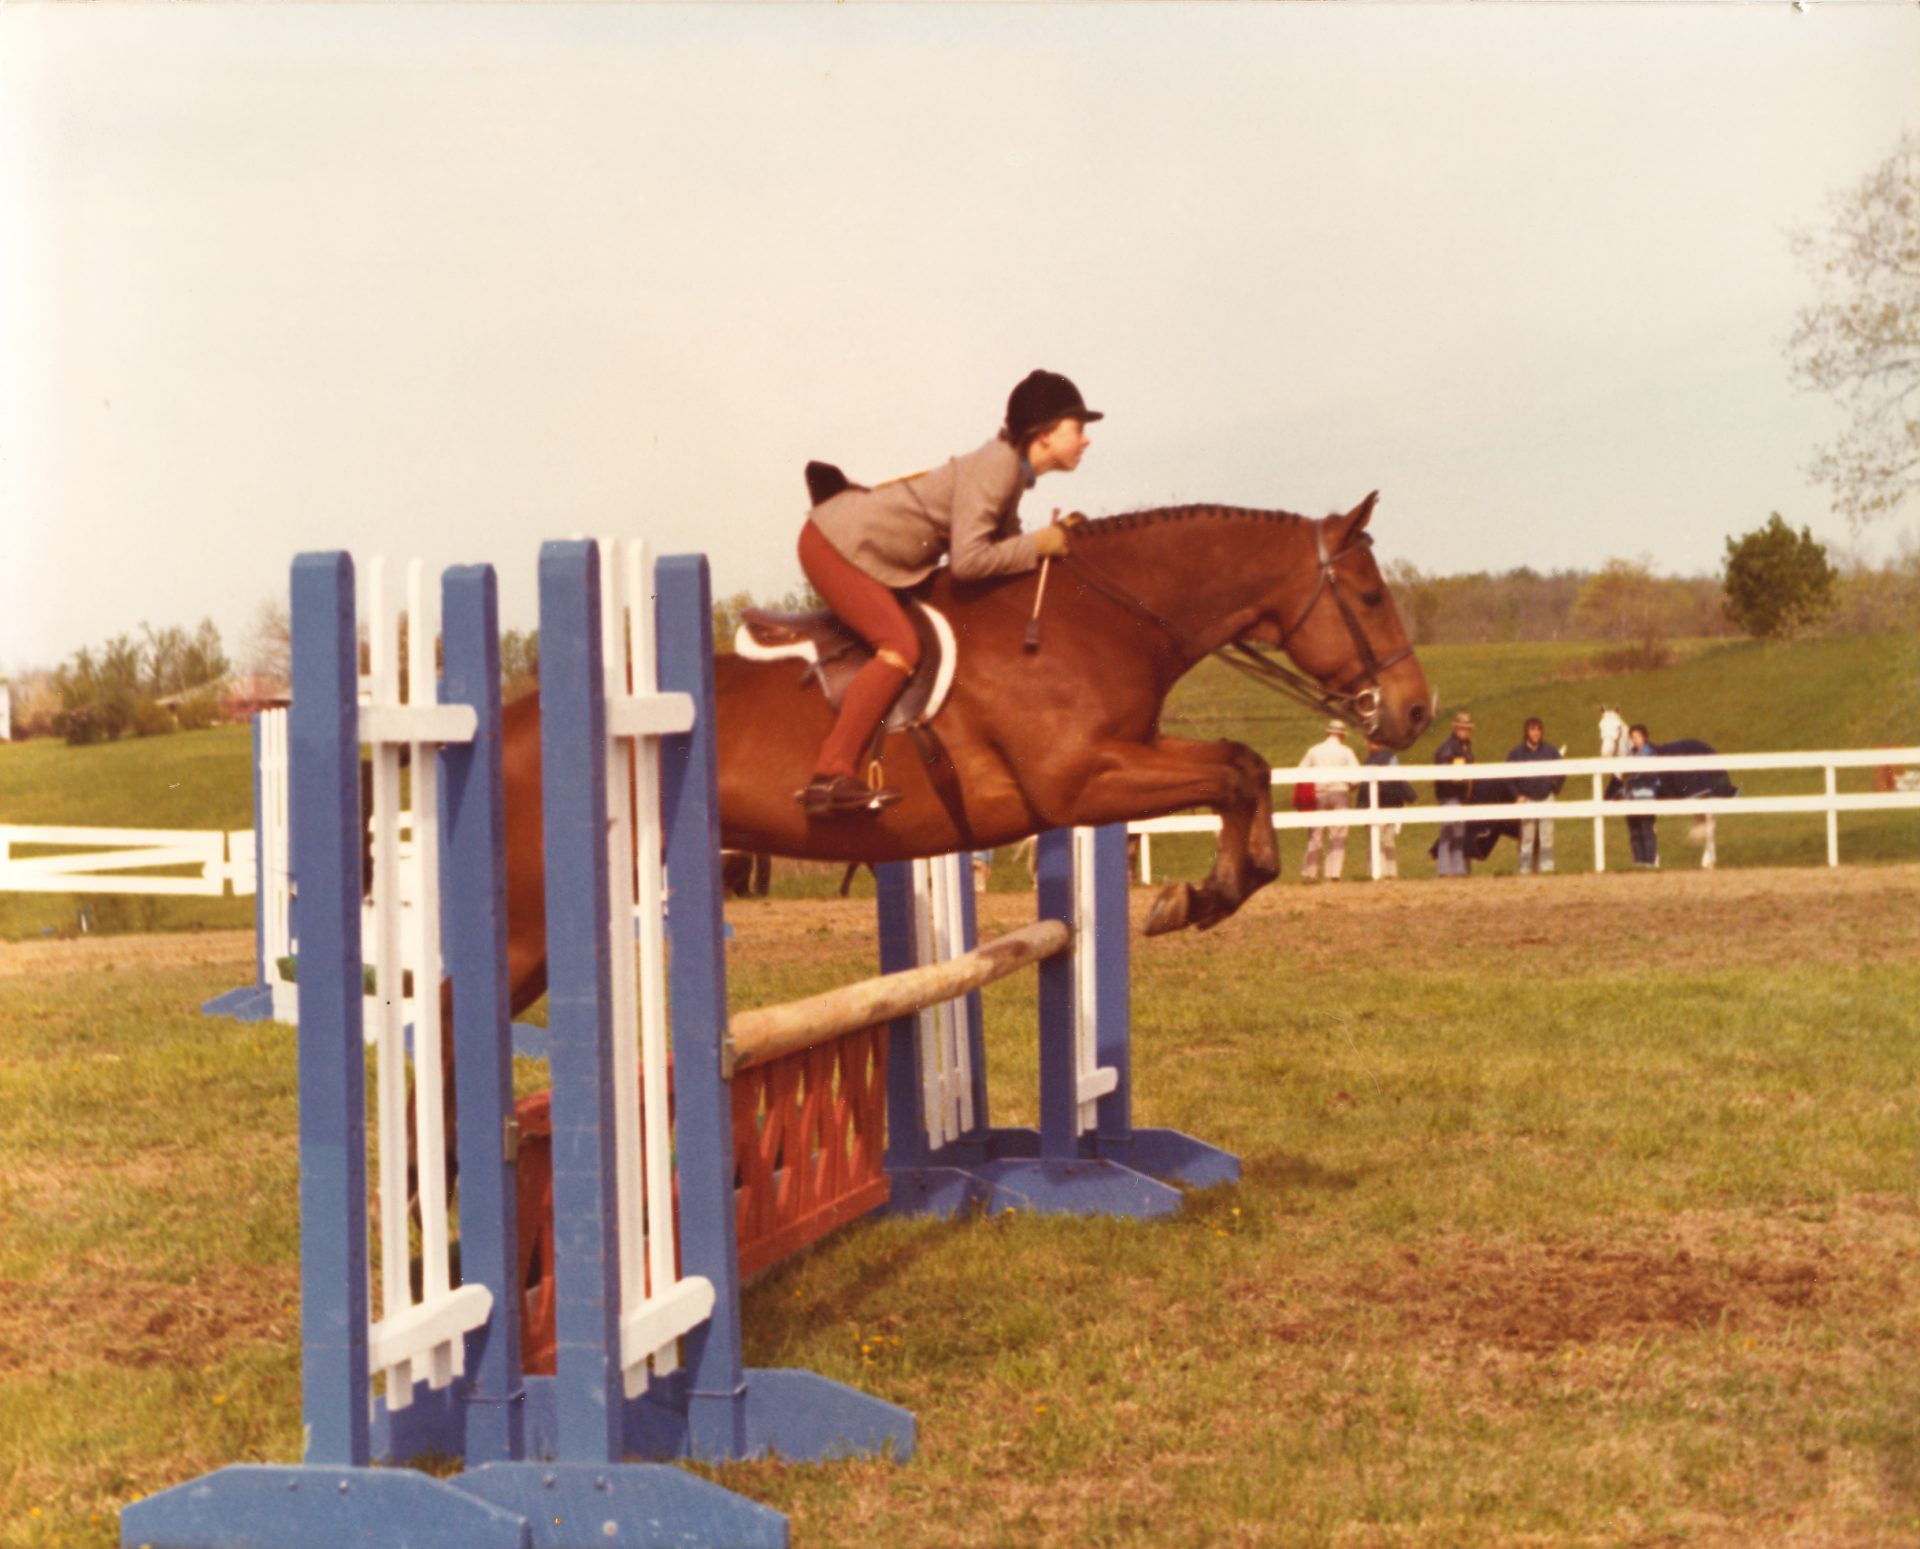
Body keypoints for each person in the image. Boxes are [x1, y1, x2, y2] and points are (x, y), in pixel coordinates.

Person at [795, 370, 1099, 816]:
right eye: (1078, 428)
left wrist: (1048, 543)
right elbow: (970, 562)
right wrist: (1038, 543)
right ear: (1045, 434)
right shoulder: (997, 469)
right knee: (900, 645)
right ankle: (831, 773)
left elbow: (1004, 549)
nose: (1086, 440)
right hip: (835, 544)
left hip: (863, 549)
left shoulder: (1009, 472)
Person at [1298, 719, 1360, 881]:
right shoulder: (1346, 751)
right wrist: (1352, 786)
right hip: (1340, 793)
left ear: (1328, 733)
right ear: (1342, 735)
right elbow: (1356, 777)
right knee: (1338, 835)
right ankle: (1333, 874)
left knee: (1316, 834)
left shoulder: (1314, 750)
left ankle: (1310, 873)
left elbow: (1301, 771)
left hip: (1319, 793)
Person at [1505, 717, 1566, 875]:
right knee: (1527, 837)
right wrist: (1517, 794)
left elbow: (1562, 770)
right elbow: (1507, 776)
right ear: (1527, 731)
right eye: (1532, 729)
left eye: (1539, 729)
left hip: (1546, 797)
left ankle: (1546, 869)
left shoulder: (1550, 751)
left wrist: (1554, 787)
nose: (1536, 733)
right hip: (1527, 798)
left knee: (1547, 836)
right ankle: (1525, 869)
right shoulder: (1516, 753)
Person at [1357, 733, 1417, 879]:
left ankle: (1375, 872)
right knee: (1388, 840)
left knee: (1375, 841)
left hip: (1375, 804)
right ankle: (1390, 872)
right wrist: (1410, 795)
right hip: (1391, 804)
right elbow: (1399, 780)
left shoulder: (1369, 761)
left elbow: (1364, 787)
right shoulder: (1391, 758)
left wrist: (1360, 806)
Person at [1433, 712, 1475, 877]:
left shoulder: (1465, 747)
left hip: (1461, 796)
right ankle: (1445, 869)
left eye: (1467, 728)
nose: (1465, 731)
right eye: (1462, 728)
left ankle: (1458, 868)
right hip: (1450, 794)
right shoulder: (1448, 748)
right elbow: (1447, 774)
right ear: (1456, 728)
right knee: (1448, 830)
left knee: (1459, 832)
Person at [1625, 721, 1660, 868]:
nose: (1635, 739)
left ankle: (1649, 861)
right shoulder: (1630, 754)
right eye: (1632, 736)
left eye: (1638, 736)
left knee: (1646, 830)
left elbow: (1647, 774)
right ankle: (1638, 861)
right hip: (1631, 796)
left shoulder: (1649, 753)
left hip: (1645, 795)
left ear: (1644, 737)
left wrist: (1630, 774)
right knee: (1634, 831)